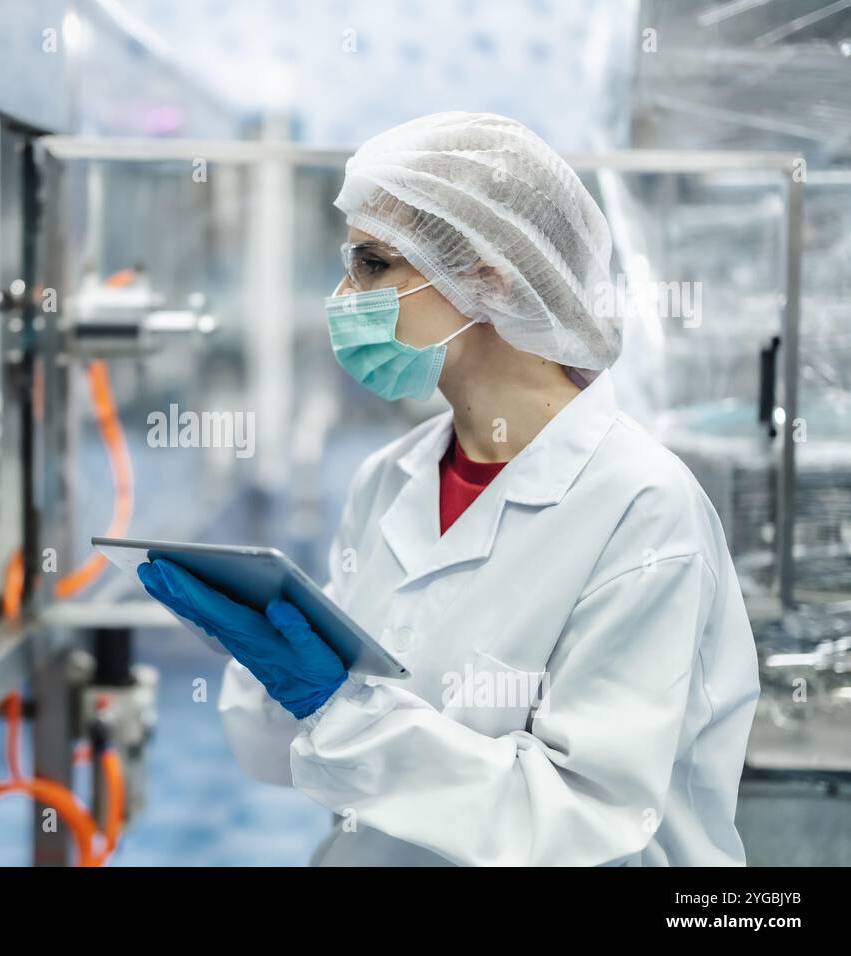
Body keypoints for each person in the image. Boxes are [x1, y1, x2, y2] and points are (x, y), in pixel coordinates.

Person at [139, 112, 759, 866]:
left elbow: (582, 821)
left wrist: (338, 708)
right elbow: (296, 760)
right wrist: (271, 666)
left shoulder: (642, 508)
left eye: (372, 265)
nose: (341, 295)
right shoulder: (390, 478)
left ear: (490, 278)